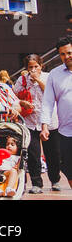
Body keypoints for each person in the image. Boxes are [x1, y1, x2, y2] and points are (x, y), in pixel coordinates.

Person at [14, 53, 60, 193]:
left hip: (49, 120)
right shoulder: (21, 80)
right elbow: (14, 97)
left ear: (41, 66)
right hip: (30, 121)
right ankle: (36, 183)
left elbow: (53, 93)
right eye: (30, 67)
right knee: (33, 154)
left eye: (36, 66)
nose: (33, 70)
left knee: (53, 153)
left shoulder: (48, 77)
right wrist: (23, 103)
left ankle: (55, 180)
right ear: (26, 68)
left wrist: (38, 80)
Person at [40, 37, 72, 192]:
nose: (67, 56)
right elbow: (47, 102)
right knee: (67, 166)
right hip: (66, 131)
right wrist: (44, 126)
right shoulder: (54, 74)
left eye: (69, 52)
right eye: (63, 54)